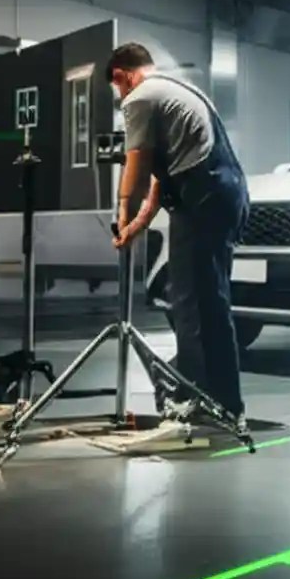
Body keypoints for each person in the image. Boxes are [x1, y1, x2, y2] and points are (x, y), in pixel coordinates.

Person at [106, 42, 250, 431]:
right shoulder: (178, 90)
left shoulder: (138, 97)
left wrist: (119, 212)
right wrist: (136, 225)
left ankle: (197, 399)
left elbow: (134, 166)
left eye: (118, 87)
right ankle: (223, 401)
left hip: (204, 197)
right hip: (226, 192)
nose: (121, 96)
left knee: (191, 303)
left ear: (122, 76)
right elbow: (159, 180)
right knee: (208, 299)